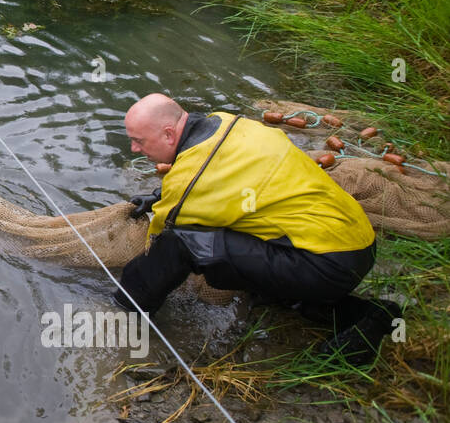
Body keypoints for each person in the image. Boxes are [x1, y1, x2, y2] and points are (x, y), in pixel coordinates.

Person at [117, 93, 398, 363]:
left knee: (183, 243)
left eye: (138, 141)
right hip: (358, 242)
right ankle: (364, 314)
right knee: (246, 253)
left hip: (325, 263)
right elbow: (218, 178)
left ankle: (126, 308)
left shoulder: (193, 178)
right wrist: (158, 196)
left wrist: (132, 288)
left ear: (168, 134)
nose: (134, 149)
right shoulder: (228, 123)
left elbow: (164, 238)